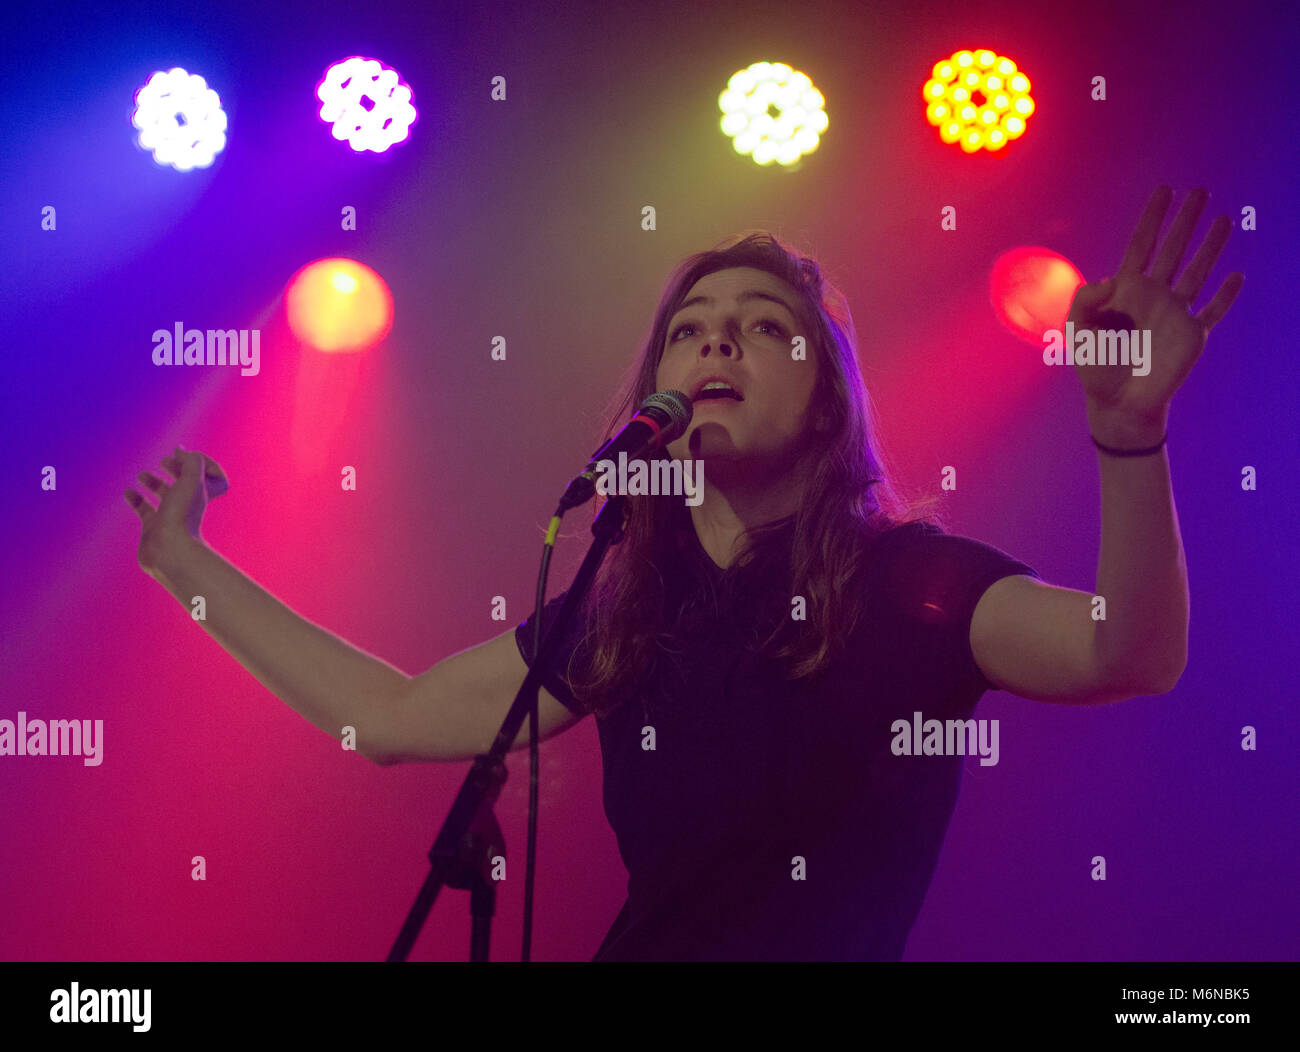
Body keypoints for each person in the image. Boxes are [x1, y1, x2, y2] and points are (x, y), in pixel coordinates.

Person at [125, 189, 1242, 960]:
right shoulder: (624, 607)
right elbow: (389, 714)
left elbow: (1128, 653)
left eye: (763, 328)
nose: (717, 346)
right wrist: (183, 562)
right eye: (691, 330)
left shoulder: (916, 584)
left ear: (827, 397)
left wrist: (1129, 435)